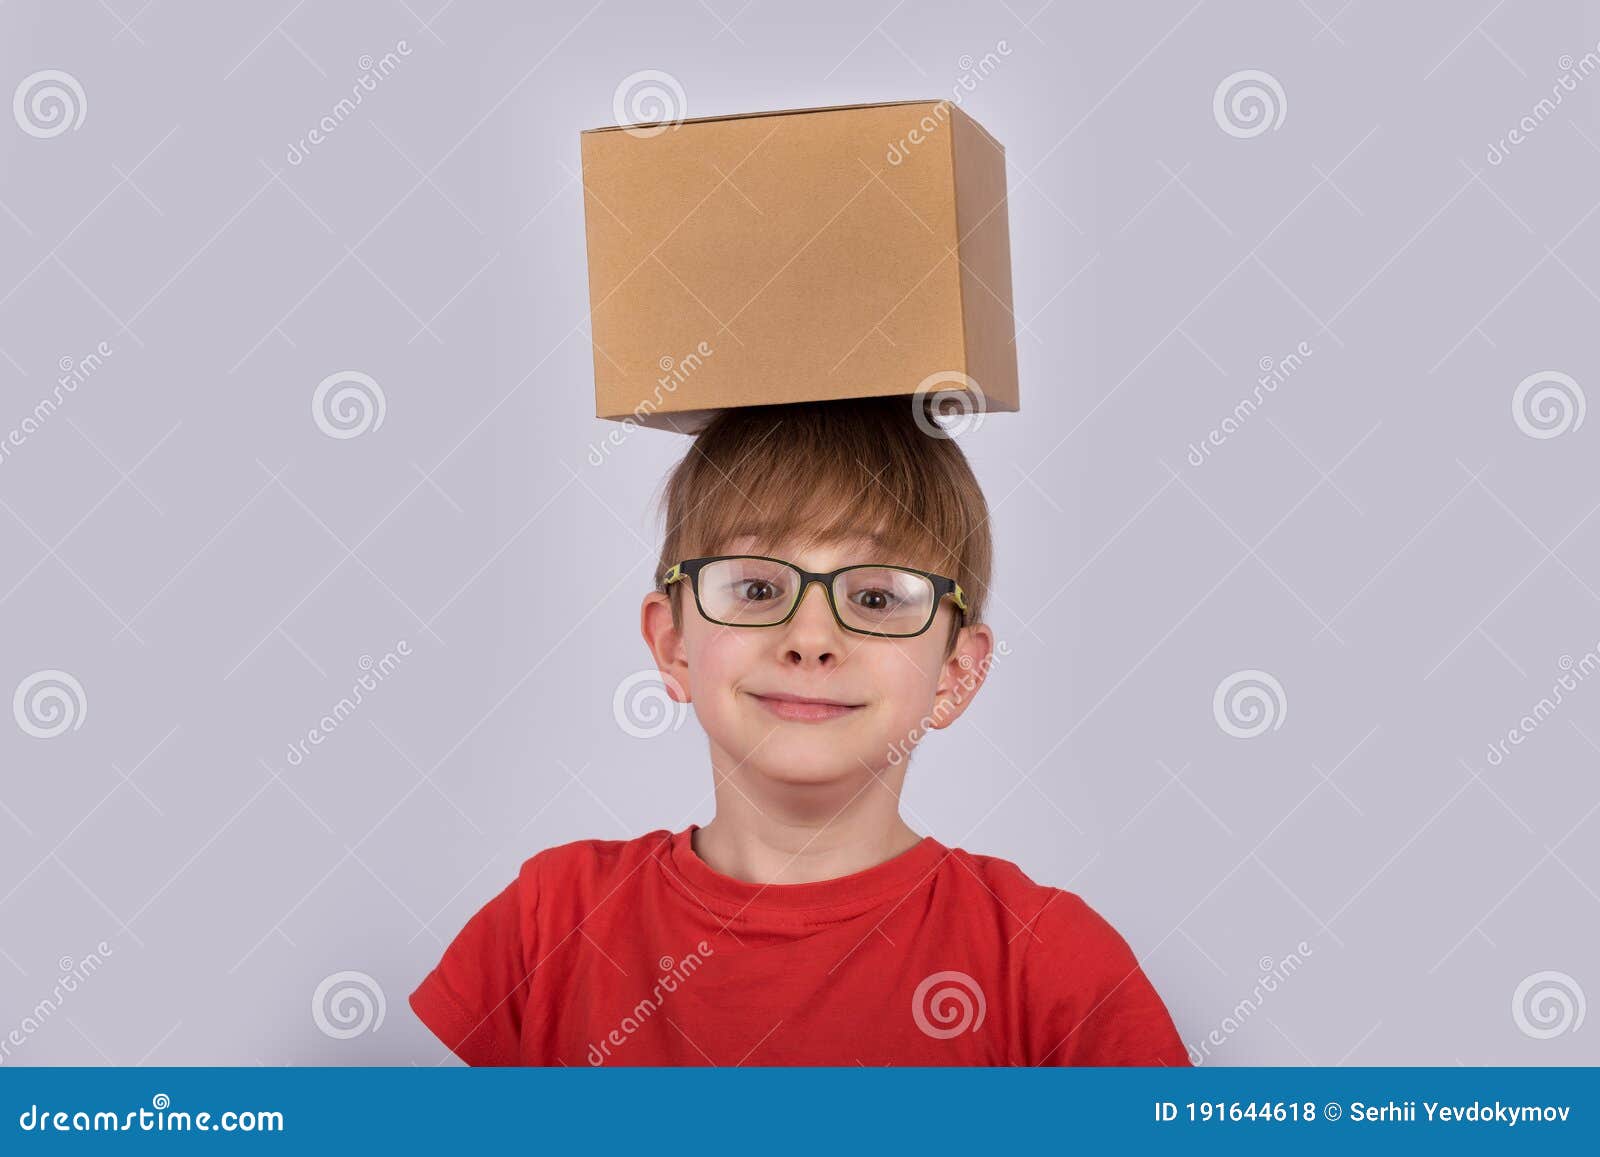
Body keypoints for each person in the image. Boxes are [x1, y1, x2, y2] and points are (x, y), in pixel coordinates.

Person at [410, 396, 1187, 1065]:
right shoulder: (549, 925)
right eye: (755, 586)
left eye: (878, 599)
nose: (811, 636)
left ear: (956, 672)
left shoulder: (1051, 963)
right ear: (674, 644)